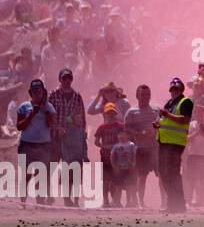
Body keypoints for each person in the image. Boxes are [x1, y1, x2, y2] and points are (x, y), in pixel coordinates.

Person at [154, 76, 193, 212]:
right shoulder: (169, 103)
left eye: (176, 89)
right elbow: (164, 119)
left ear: (181, 89)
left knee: (173, 173)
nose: (174, 91)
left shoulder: (186, 102)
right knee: (164, 173)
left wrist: (167, 115)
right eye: (172, 89)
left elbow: (184, 120)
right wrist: (158, 124)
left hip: (175, 142)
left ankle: (178, 205)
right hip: (164, 142)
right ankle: (172, 203)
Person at [49, 67, 87, 206]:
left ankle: (67, 198)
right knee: (51, 166)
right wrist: (57, 127)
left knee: (69, 168)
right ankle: (48, 195)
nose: (66, 81)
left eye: (69, 78)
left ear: (72, 79)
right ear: (59, 79)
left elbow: (81, 117)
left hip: (71, 139)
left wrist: (82, 133)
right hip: (54, 136)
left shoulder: (77, 96)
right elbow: (48, 115)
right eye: (64, 78)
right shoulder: (53, 94)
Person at [15, 79, 56, 205]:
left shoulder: (49, 107)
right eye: (34, 91)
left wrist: (44, 111)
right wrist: (31, 115)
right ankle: (23, 202)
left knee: (41, 175)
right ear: (30, 92)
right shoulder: (24, 106)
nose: (37, 94)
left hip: (43, 145)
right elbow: (19, 126)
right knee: (26, 175)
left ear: (43, 92)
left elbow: (51, 124)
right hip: (27, 144)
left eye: (39, 91)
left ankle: (40, 203)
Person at [123, 84, 158, 208]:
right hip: (140, 148)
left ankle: (165, 201)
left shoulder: (156, 111)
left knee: (162, 175)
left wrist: (154, 132)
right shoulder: (131, 112)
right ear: (137, 96)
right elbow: (126, 129)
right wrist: (139, 134)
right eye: (142, 94)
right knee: (142, 176)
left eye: (147, 94)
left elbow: (161, 125)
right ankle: (141, 202)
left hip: (155, 147)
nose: (145, 97)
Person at [93, 101, 128, 207]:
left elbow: (125, 139)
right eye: (109, 113)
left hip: (118, 157)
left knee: (118, 179)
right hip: (105, 156)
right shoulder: (101, 127)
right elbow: (96, 141)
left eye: (113, 113)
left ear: (116, 114)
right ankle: (106, 201)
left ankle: (117, 201)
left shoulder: (121, 126)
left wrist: (119, 146)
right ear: (105, 114)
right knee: (106, 180)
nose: (111, 115)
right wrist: (105, 146)